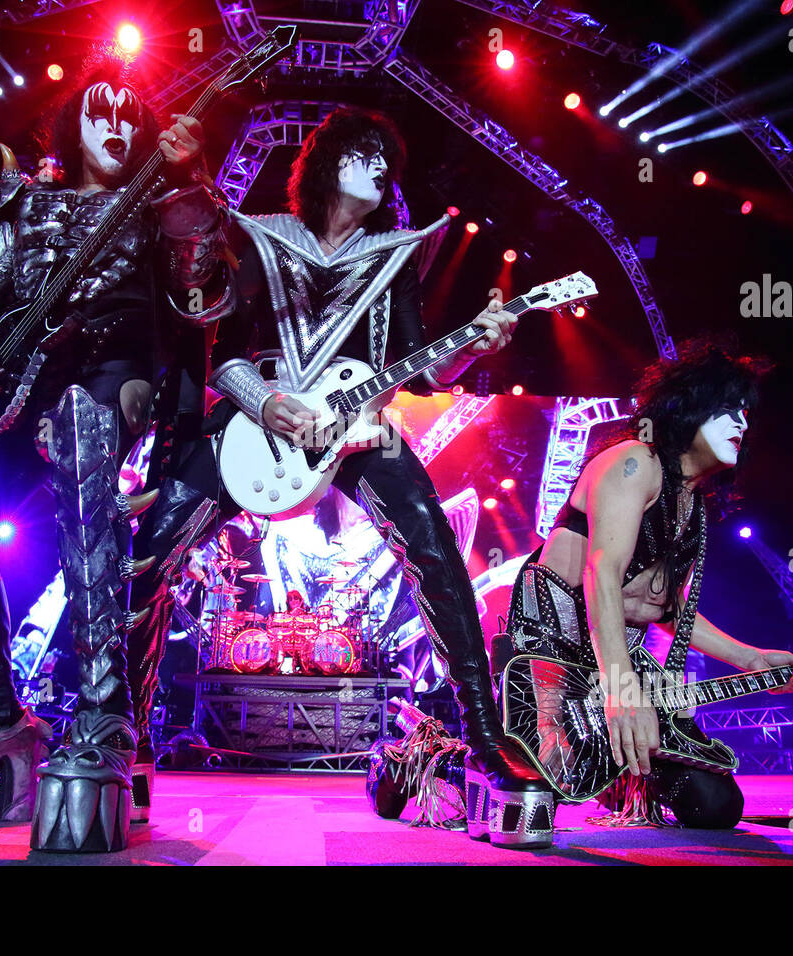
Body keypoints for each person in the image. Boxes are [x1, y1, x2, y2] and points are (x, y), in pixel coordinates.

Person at [120, 106, 555, 847]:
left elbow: (423, 368)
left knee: (435, 551)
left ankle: (487, 741)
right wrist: (271, 404)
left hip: (363, 426)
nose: (382, 166)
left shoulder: (399, 252)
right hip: (255, 427)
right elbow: (223, 350)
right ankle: (124, 739)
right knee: (149, 553)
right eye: (365, 152)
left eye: (389, 158)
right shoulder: (258, 234)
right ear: (325, 163)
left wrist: (476, 347)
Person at [0, 56, 230, 853]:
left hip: (119, 368)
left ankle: (103, 713)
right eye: (98, 115)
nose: (114, 129)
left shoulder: (161, 207)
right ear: (70, 125)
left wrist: (193, 184)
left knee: (86, 455)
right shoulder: (27, 203)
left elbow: (204, 293)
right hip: (23, 379)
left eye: (128, 118)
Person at [507, 342, 793, 828]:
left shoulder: (693, 509)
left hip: (612, 661)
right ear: (689, 406)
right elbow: (601, 575)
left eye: (745, 413)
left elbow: (669, 614)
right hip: (549, 649)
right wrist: (623, 687)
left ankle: (621, 780)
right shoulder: (634, 463)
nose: (742, 423)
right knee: (539, 784)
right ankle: (425, 759)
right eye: (727, 409)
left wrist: (752, 659)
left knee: (716, 805)